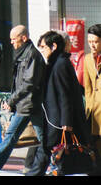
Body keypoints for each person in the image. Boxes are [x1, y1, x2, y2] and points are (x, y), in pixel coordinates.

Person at [0, 25, 47, 176]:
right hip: (26, 104)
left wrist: (12, 100)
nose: (12, 43)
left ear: (24, 38)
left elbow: (29, 82)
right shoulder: (24, 54)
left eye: (14, 39)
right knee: (43, 139)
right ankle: (56, 165)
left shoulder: (31, 55)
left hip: (28, 104)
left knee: (12, 137)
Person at [39, 29, 88, 163]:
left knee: (61, 154)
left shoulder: (60, 63)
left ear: (54, 46)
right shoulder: (55, 63)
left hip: (59, 120)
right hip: (55, 117)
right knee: (52, 153)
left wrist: (66, 121)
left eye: (43, 47)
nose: (41, 50)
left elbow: (65, 94)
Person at [81, 24, 101, 158]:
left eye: (95, 42)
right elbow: (87, 89)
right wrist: (88, 109)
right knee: (94, 145)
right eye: (89, 42)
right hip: (94, 111)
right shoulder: (87, 59)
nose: (92, 45)